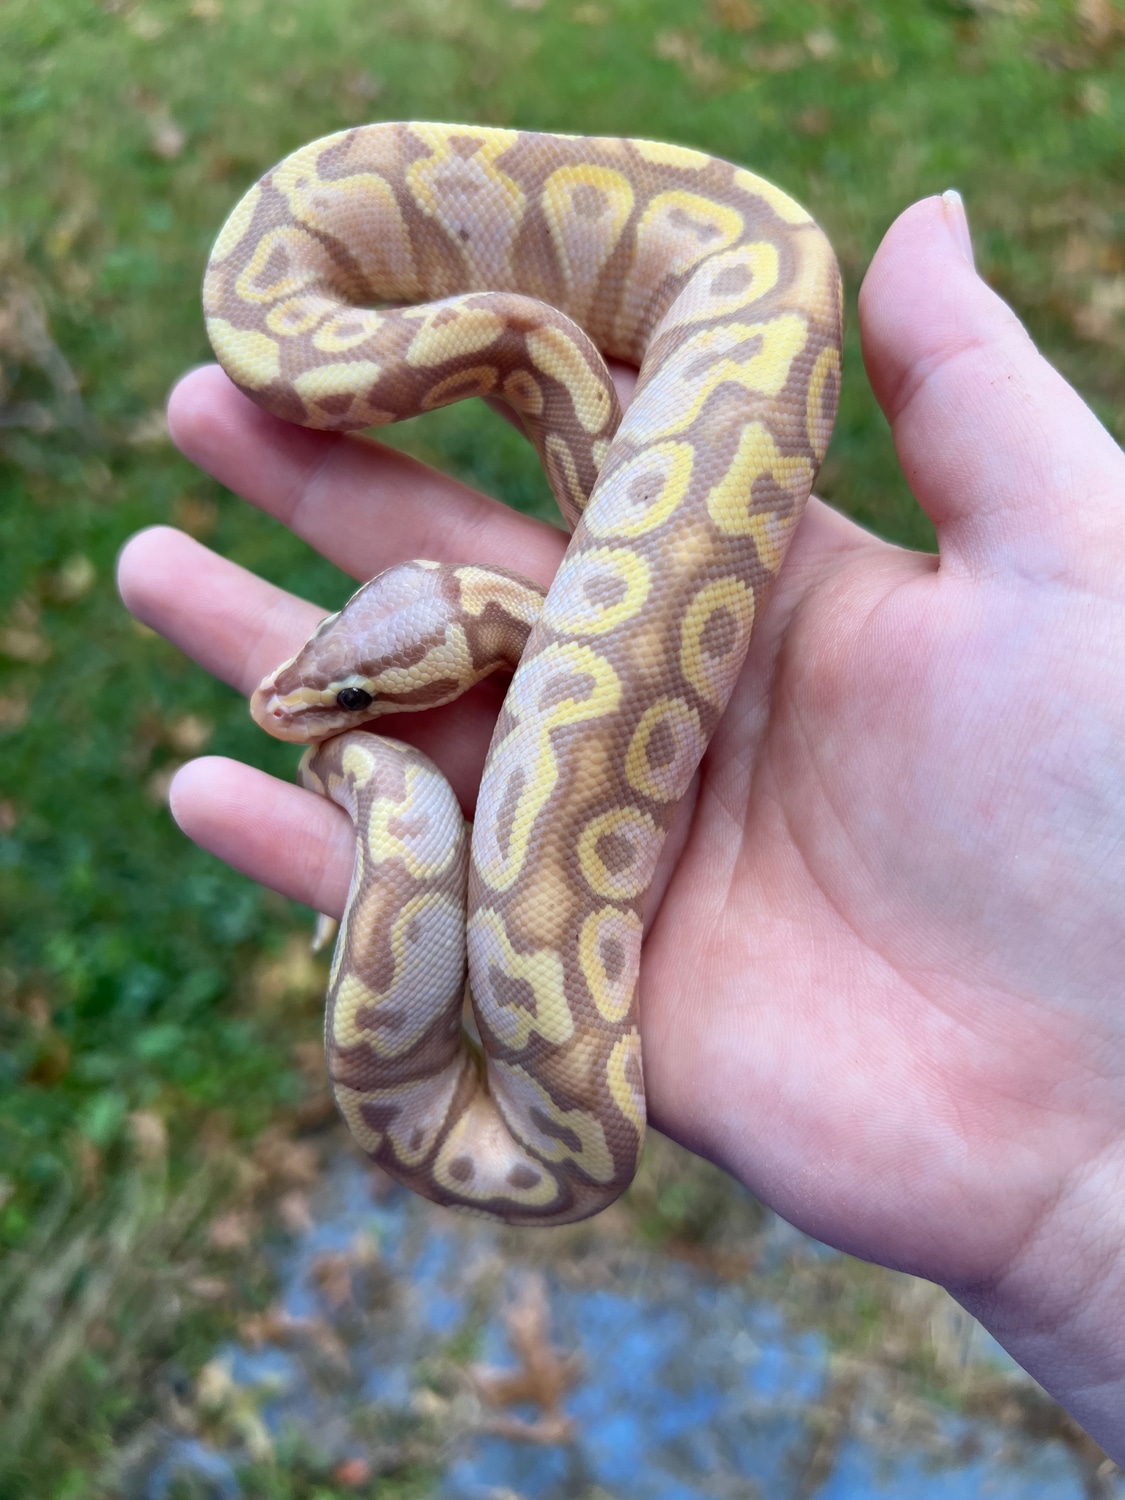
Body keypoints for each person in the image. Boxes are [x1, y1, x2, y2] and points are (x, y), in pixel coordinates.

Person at [117, 193, 1125, 1461]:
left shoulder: (558, 582)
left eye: (355, 695)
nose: (306, 708)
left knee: (397, 797)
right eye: (344, 687)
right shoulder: (552, 549)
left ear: (483, 656)